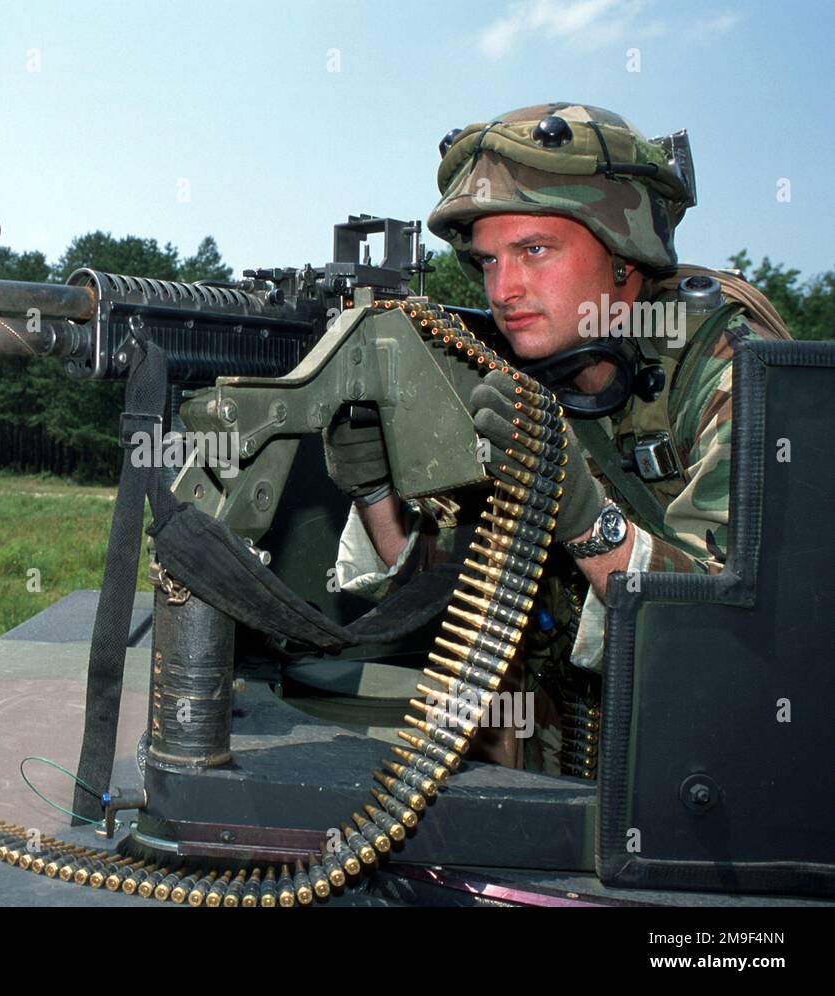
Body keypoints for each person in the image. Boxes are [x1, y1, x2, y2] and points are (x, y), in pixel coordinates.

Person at [324, 103, 791, 774]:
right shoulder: (512, 367)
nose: (503, 289)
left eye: (534, 251)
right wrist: (377, 497)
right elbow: (455, 613)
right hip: (549, 770)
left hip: (702, 782)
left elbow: (739, 638)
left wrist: (586, 522)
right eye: (487, 261)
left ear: (625, 255)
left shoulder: (725, 362)